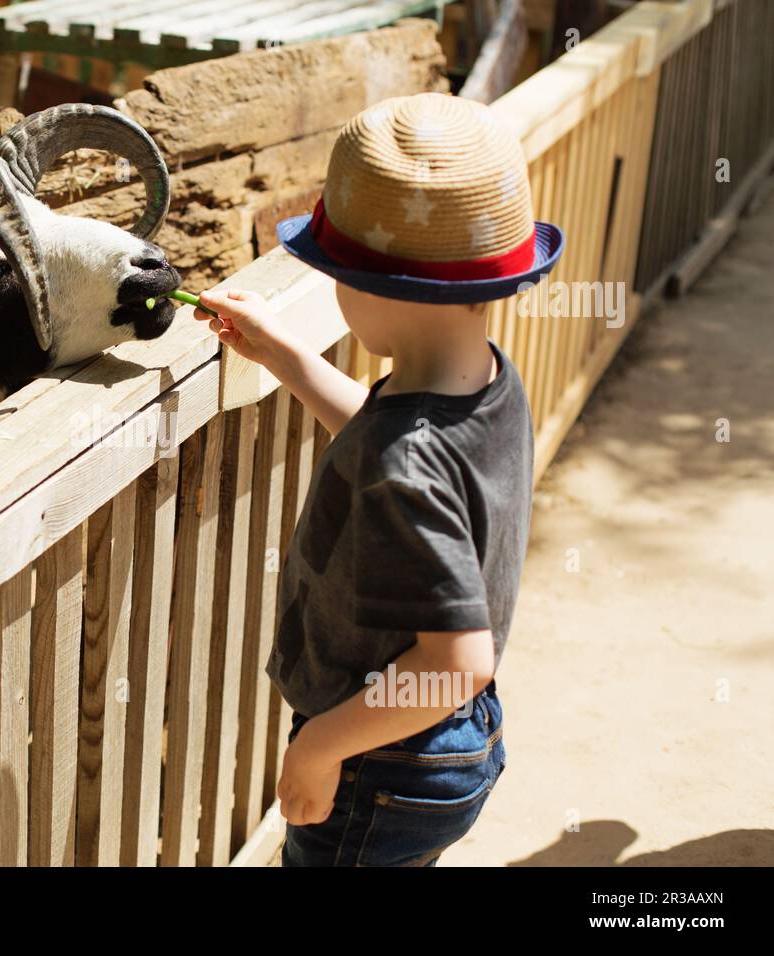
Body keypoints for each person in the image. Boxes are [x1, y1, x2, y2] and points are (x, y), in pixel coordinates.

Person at [195, 93, 564, 867]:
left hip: (380, 761)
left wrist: (321, 748)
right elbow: (388, 442)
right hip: (443, 746)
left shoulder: (407, 457)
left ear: (381, 291)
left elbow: (457, 659)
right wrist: (288, 358)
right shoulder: (484, 382)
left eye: (334, 271)